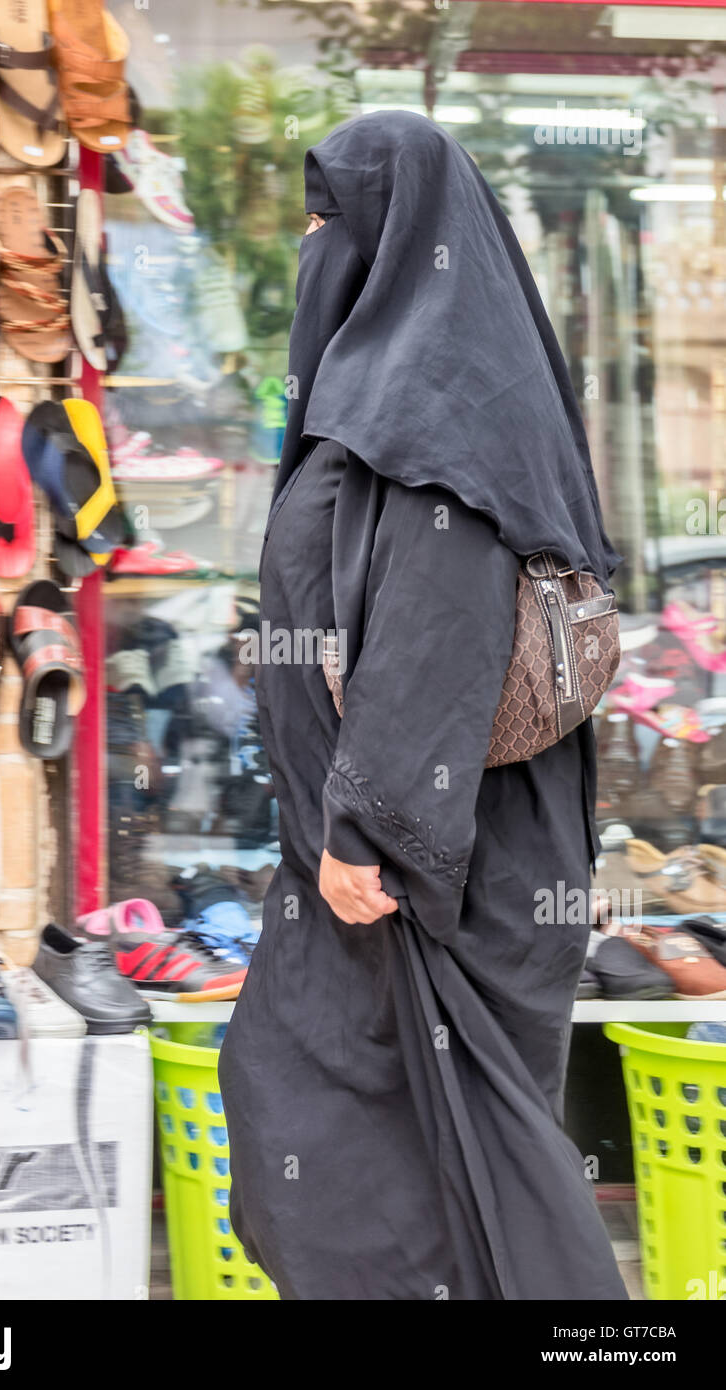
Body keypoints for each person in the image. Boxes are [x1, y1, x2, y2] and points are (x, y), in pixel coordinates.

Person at [218, 110, 628, 1301]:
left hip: (419, 880)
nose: (309, 246)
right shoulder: (397, 402)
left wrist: (364, 834)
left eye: (321, 221)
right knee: (379, 1166)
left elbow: (435, 639)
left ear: (388, 240)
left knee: (436, 1178)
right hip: (374, 882)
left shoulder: (433, 418)